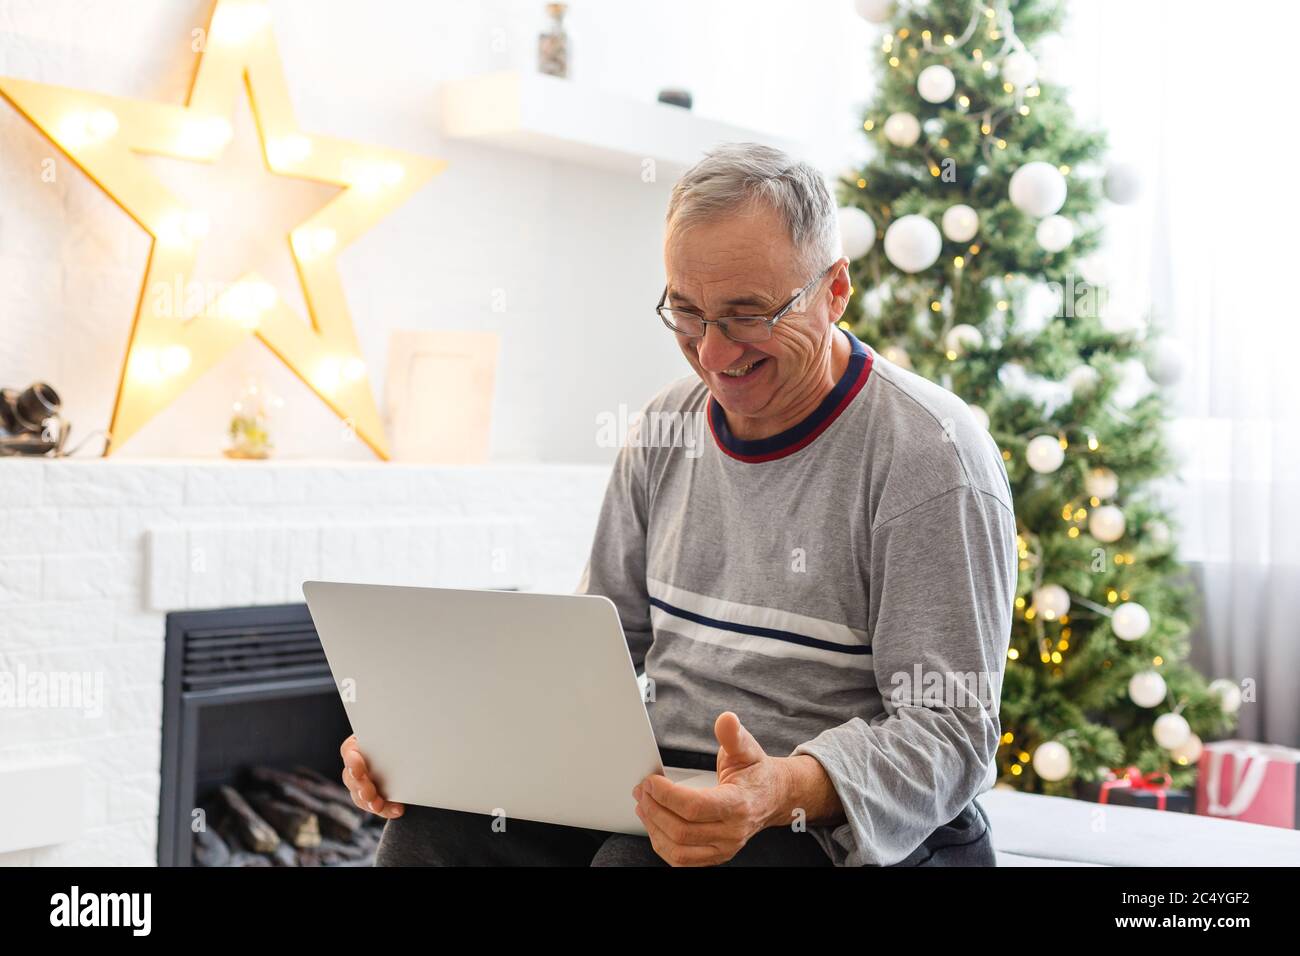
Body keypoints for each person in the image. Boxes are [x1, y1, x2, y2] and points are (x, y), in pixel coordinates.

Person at [342, 143, 1017, 866]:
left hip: (845, 823)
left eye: (748, 315)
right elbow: (590, 654)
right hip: (672, 785)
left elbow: (950, 733)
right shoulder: (667, 427)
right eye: (687, 314)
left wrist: (778, 789)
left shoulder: (929, 456)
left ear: (835, 290)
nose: (714, 354)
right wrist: (432, 744)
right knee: (429, 834)